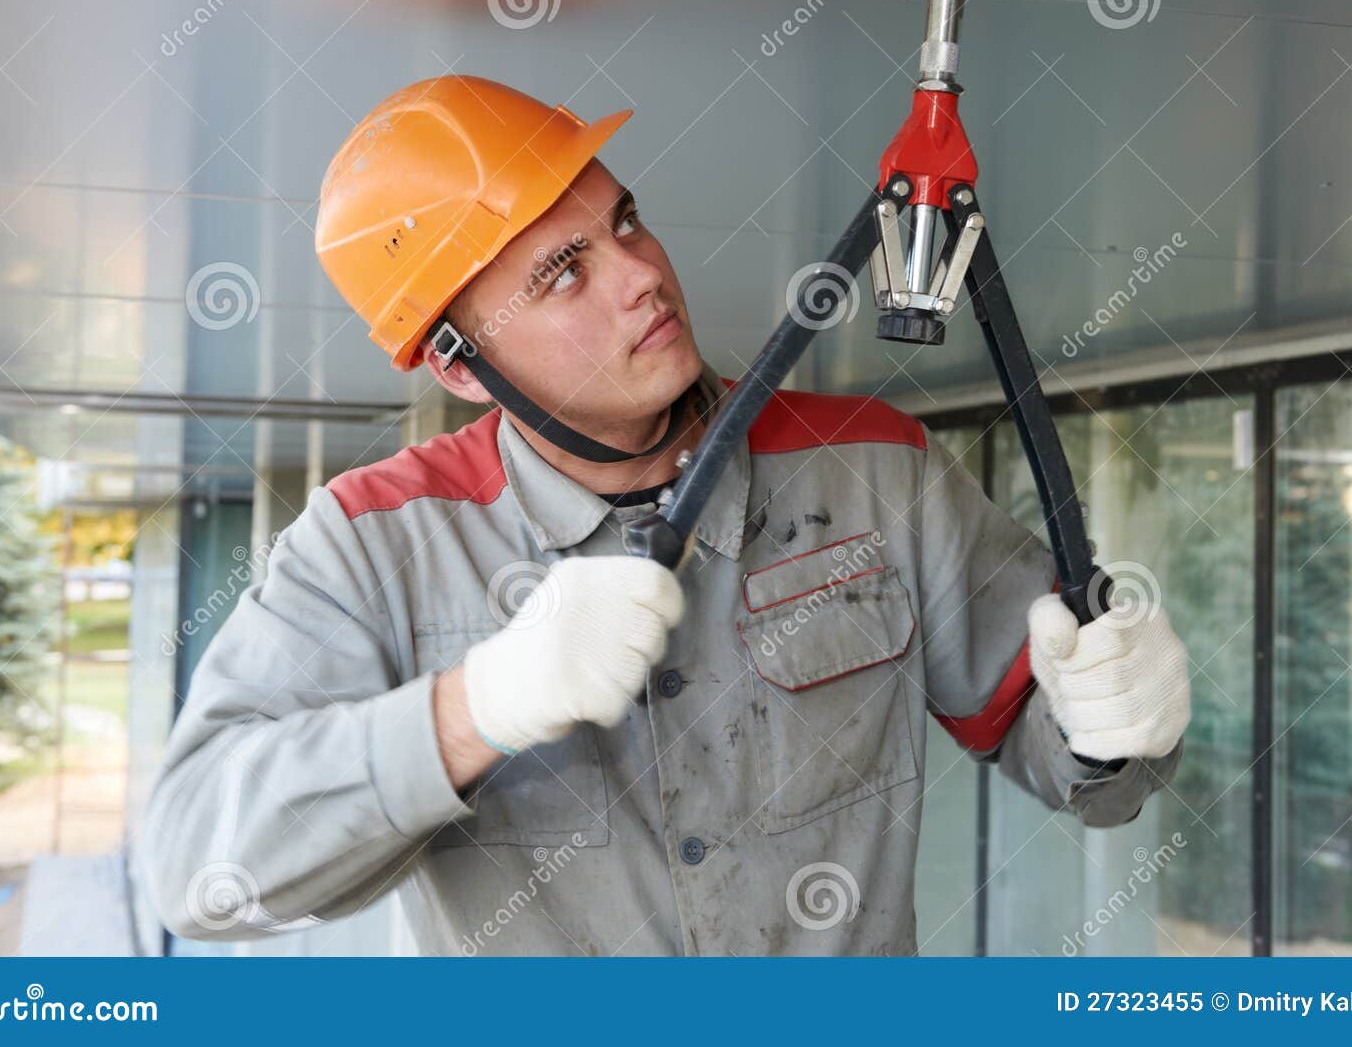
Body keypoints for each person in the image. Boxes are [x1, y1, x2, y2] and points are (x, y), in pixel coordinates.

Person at [142, 76, 1191, 954]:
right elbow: (199, 869)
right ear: (464, 370)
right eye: (564, 272)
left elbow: (1071, 760)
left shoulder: (872, 466)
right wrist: (478, 707)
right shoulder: (372, 543)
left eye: (624, 222)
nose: (642, 274)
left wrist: (1114, 729)